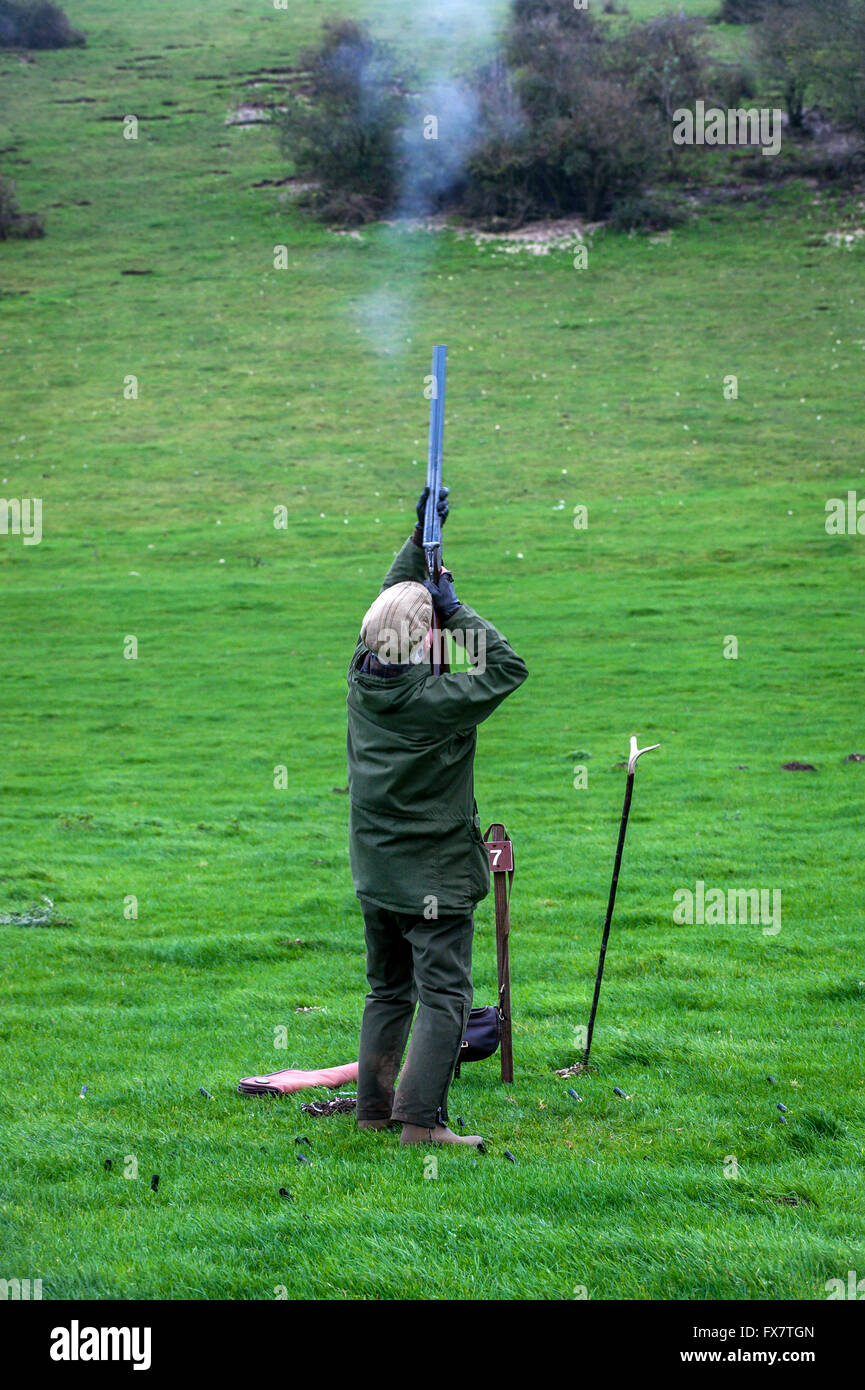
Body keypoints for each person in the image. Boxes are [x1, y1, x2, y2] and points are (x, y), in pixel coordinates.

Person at [346, 488, 528, 1148]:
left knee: (387, 993)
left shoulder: (365, 678)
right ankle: (420, 1124)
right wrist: (453, 608)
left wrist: (420, 535)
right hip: (432, 881)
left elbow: (389, 604)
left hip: (376, 873)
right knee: (444, 996)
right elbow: (507, 666)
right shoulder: (438, 701)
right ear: (427, 639)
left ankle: (373, 1110)